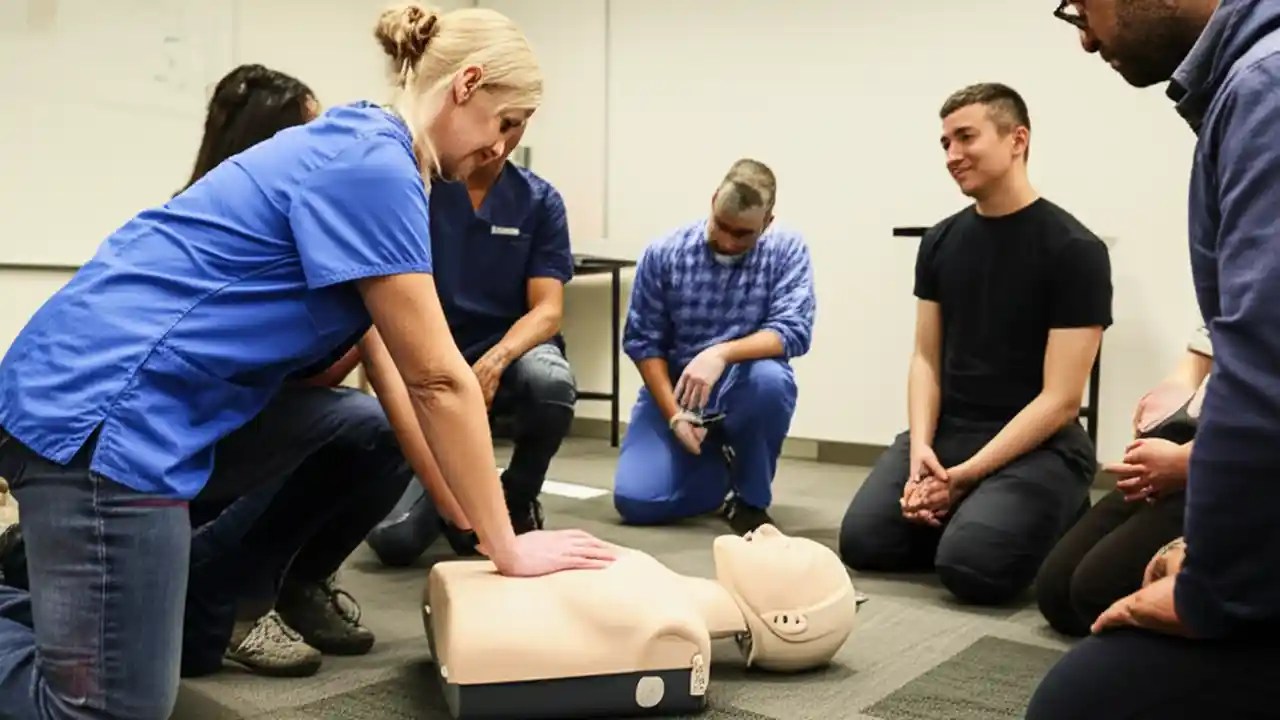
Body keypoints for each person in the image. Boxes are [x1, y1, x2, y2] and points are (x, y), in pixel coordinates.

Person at [0, 5, 614, 718]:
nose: (504, 148)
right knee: (112, 709)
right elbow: (440, 379)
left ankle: (81, 599)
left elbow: (399, 381)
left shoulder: (374, 153)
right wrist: (508, 545)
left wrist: (468, 523)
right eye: (508, 121)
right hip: (106, 410)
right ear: (466, 84)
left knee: (351, 431)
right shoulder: (373, 166)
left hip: (142, 402)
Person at [1027, 2, 1280, 717]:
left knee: (1076, 703)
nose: (1082, 39)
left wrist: (1212, 585)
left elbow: (1265, 376)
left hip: (1223, 459)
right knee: (1063, 586)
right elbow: (1233, 339)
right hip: (1210, 446)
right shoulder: (1249, 85)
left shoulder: (1265, 87)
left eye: (1082, 7)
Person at [838, 83, 1112, 606]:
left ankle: (1039, 509)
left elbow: (1061, 400)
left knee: (974, 570)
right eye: (944, 143)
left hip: (1038, 444)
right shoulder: (940, 241)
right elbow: (925, 358)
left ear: (1017, 140)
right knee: (864, 542)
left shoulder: (1076, 251)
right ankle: (984, 514)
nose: (952, 155)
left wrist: (965, 478)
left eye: (966, 137)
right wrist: (921, 449)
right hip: (951, 433)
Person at [366, 121, 577, 566]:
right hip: (434, 354)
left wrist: (496, 359)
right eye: (496, 122)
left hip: (510, 350)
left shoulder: (539, 200)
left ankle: (516, 499)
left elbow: (547, 310)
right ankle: (458, 503)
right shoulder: (418, 190)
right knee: (395, 540)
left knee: (550, 382)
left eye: (515, 125)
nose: (500, 141)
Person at [612, 158, 816, 536]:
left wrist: (720, 354)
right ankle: (720, 469)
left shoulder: (786, 250)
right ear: (712, 202)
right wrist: (674, 415)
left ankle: (751, 498)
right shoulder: (665, 252)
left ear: (767, 223)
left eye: (742, 234)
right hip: (679, 390)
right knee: (636, 502)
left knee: (770, 381)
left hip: (743, 384)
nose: (727, 241)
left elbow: (794, 331)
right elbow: (643, 342)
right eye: (721, 226)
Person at [1035, 326, 1211, 637]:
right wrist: (1167, 409)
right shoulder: (1238, 285)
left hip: (1243, 466)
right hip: (1198, 439)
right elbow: (1201, 354)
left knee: (1095, 591)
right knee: (1056, 593)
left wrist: (1186, 462)